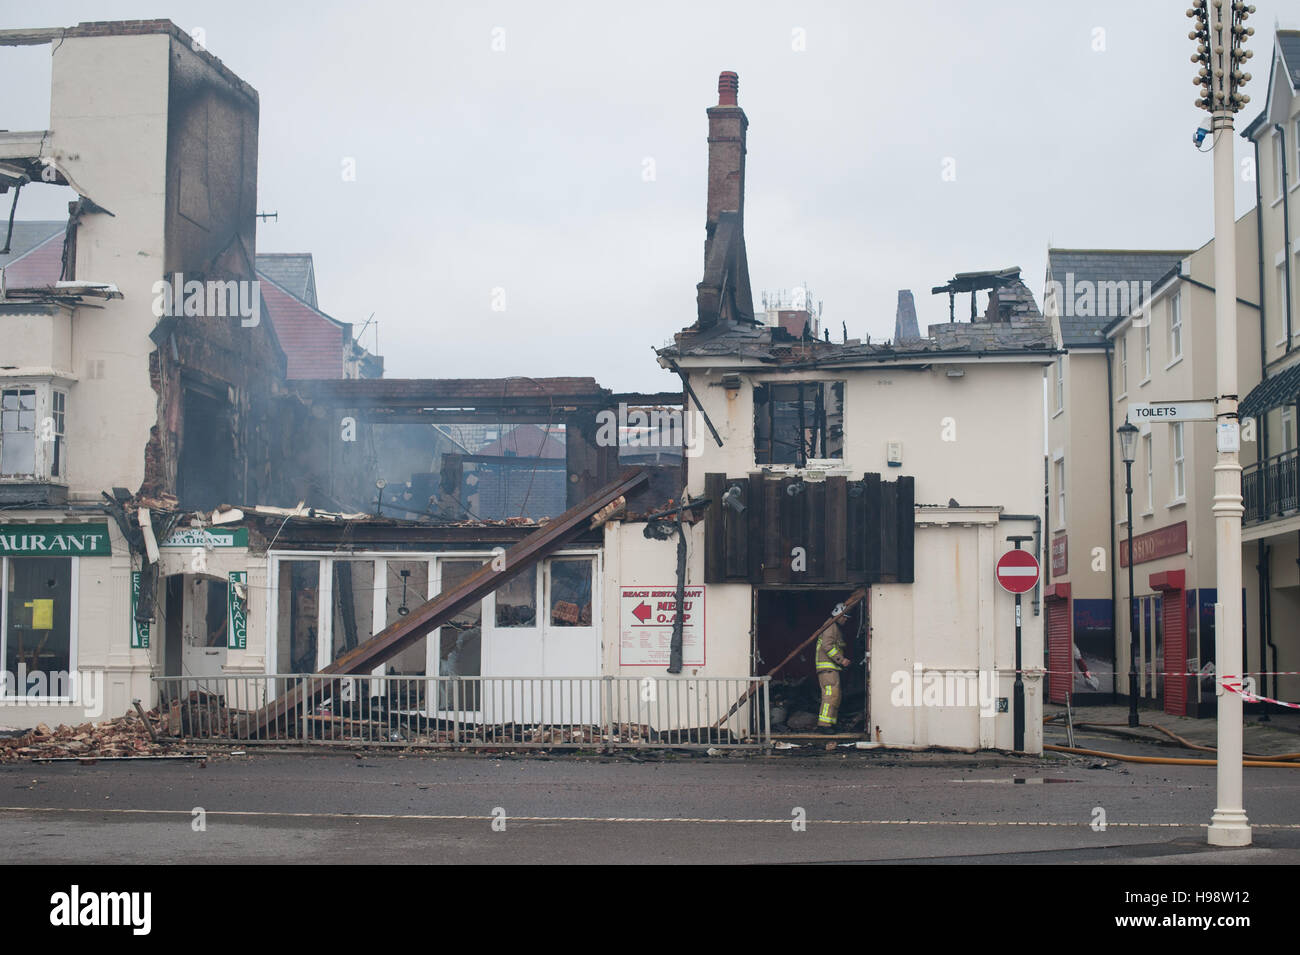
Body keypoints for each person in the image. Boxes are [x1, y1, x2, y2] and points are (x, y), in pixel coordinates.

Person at [815, 603, 851, 733]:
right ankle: (823, 725)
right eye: (845, 617)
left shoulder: (833, 626)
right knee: (830, 696)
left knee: (835, 696)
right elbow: (827, 646)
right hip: (828, 668)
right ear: (839, 615)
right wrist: (841, 660)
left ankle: (831, 722)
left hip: (831, 668)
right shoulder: (831, 626)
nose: (846, 620)